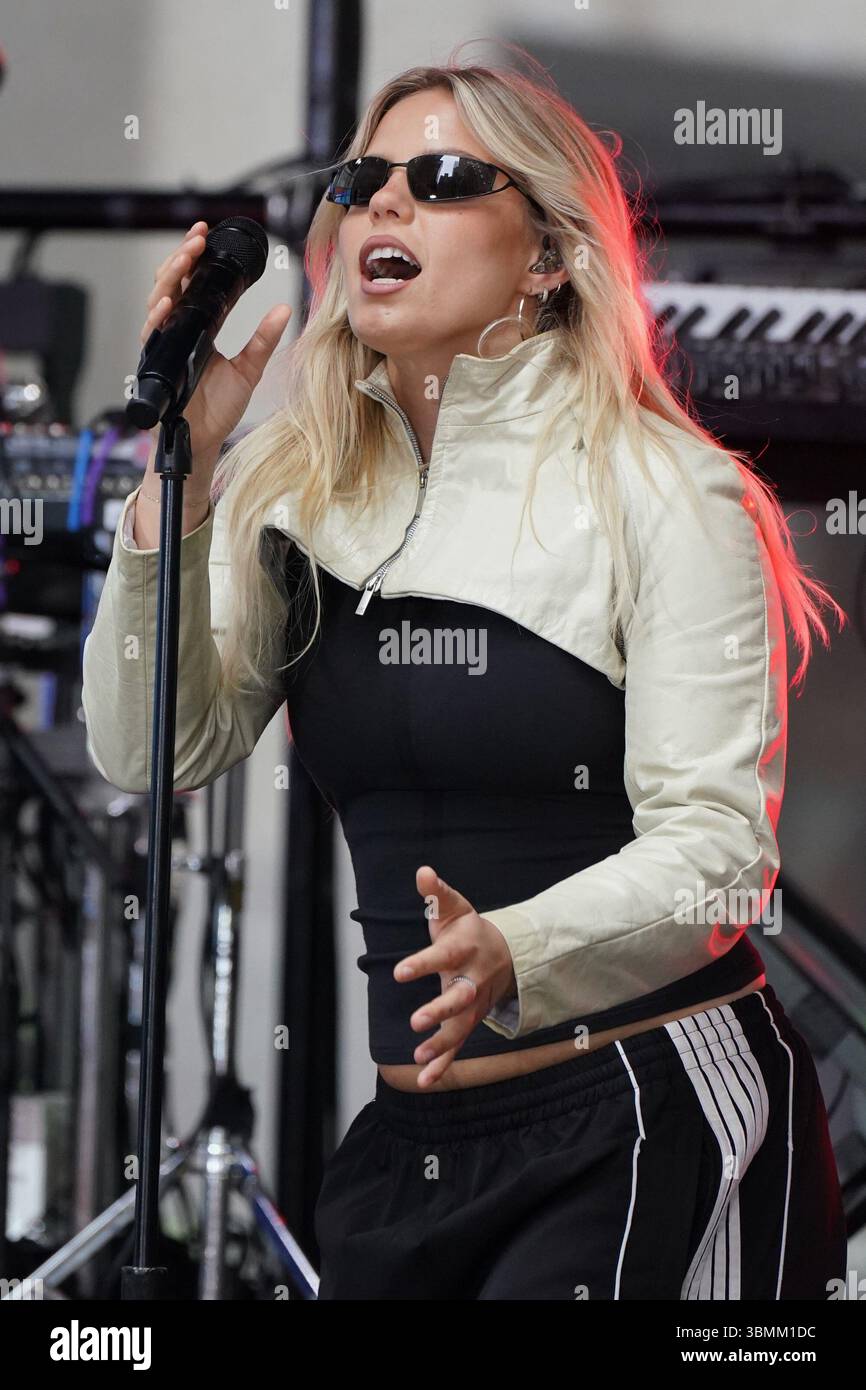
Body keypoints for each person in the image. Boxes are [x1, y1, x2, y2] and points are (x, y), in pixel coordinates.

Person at [81, 51, 849, 1300]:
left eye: (438, 178)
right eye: (363, 179)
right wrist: (186, 470)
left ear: (546, 253)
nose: (381, 205)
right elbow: (151, 751)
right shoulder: (297, 488)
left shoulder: (663, 491)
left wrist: (518, 949)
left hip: (642, 1113)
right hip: (408, 1153)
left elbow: (717, 854)